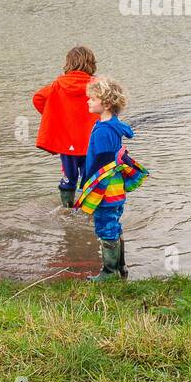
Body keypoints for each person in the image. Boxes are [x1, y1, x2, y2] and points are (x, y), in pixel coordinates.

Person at [79, 75, 134, 280]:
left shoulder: (103, 130)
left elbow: (101, 161)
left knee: (104, 225)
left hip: (104, 187)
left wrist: (86, 183)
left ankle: (109, 272)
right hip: (116, 186)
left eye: (93, 99)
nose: (88, 101)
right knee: (114, 223)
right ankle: (121, 267)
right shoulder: (114, 125)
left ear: (107, 103)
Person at [32, 46, 99, 208]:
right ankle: (88, 209)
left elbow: (38, 98)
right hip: (91, 141)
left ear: (68, 63)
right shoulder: (97, 85)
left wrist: (55, 115)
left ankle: (67, 207)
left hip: (66, 141)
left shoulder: (58, 85)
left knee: (69, 175)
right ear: (91, 63)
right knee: (90, 175)